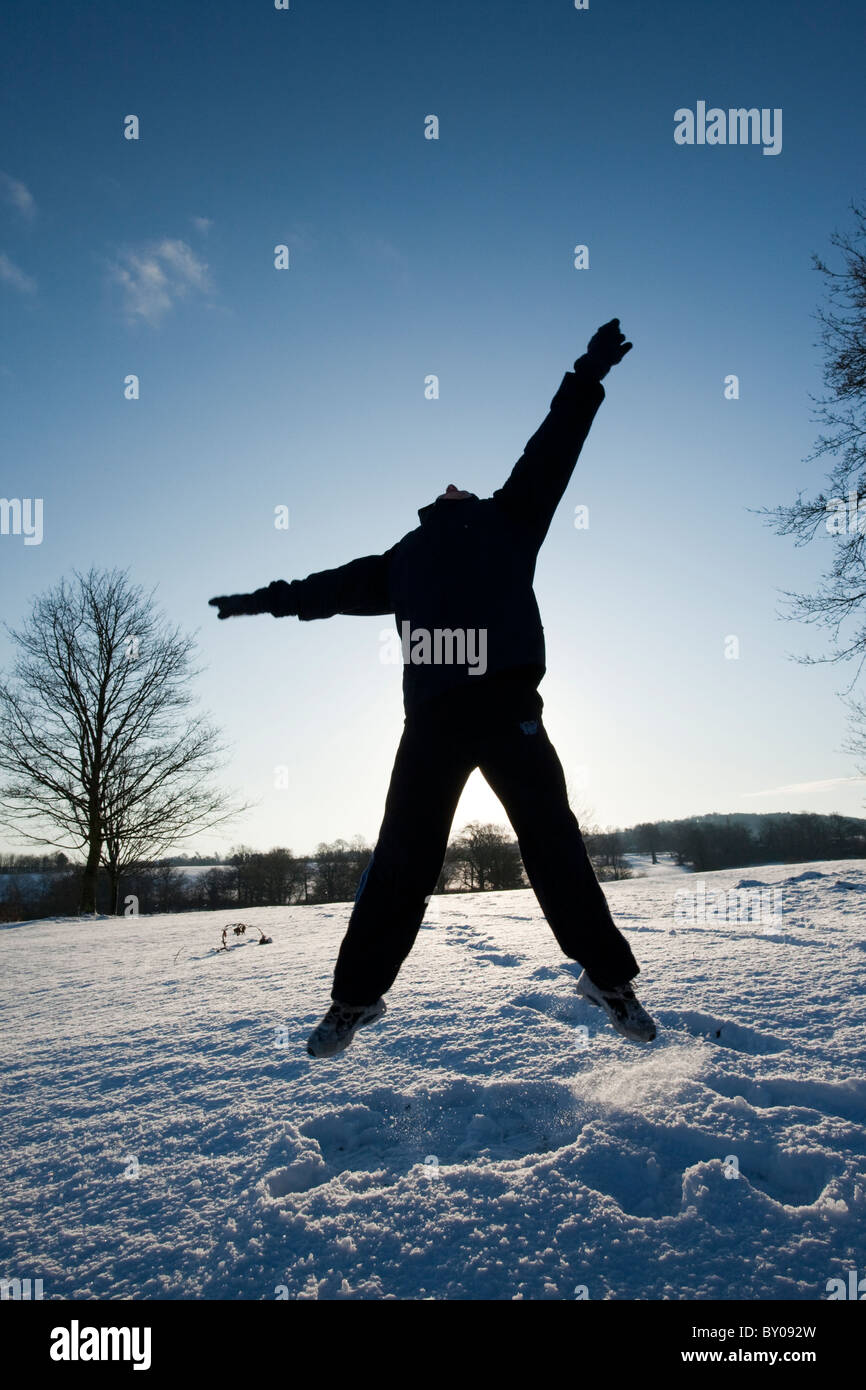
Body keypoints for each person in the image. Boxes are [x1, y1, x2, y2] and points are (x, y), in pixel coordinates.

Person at [210, 319, 657, 1058]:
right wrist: (258, 599)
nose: (453, 482)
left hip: (510, 707)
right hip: (436, 724)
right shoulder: (404, 560)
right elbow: (320, 589)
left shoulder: (510, 520)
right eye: (444, 485)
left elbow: (553, 448)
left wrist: (587, 373)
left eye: (460, 482)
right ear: (431, 506)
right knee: (403, 861)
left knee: (553, 845)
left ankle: (609, 981)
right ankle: (354, 1000)